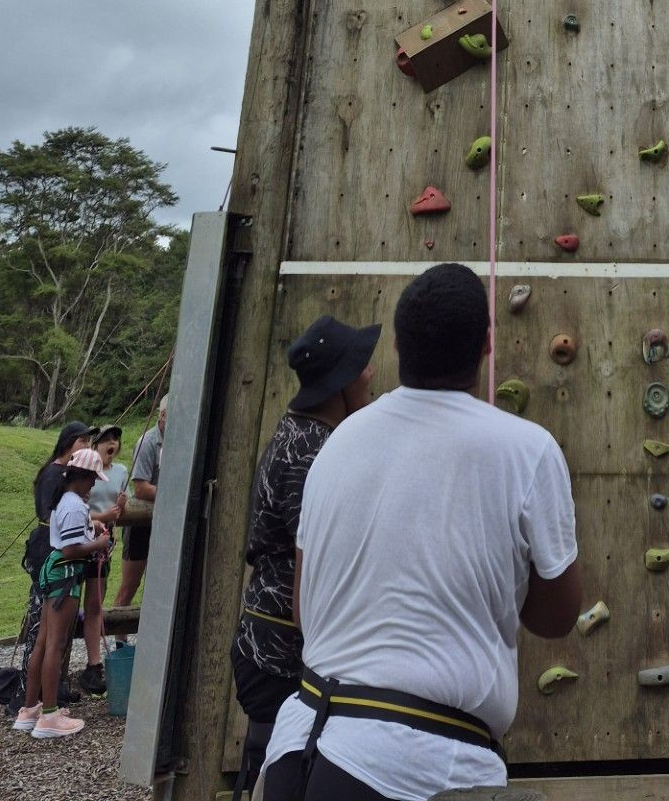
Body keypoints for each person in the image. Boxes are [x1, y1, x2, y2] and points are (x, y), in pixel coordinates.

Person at [261, 262, 581, 801]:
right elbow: (557, 618)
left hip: (299, 750)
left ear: (397, 346)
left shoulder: (337, 442)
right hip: (419, 768)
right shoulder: (527, 449)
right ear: (487, 345)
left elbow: (302, 611)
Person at [228, 315, 381, 801]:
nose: (370, 374)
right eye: (360, 367)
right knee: (281, 778)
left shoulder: (302, 434)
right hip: (282, 655)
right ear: (340, 383)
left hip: (277, 646)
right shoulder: (311, 453)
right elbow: (317, 560)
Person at [12, 447, 111, 740]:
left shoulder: (63, 500)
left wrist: (91, 528)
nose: (93, 485)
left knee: (43, 643)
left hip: (53, 572)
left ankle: (31, 708)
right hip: (64, 575)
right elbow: (70, 549)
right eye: (92, 479)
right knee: (55, 645)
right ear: (82, 476)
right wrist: (99, 544)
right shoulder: (75, 505)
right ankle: (50, 715)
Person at [79, 424, 128, 694]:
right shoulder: (84, 470)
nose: (113, 444)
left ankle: (93, 665)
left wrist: (121, 507)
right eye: (107, 439)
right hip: (81, 541)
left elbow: (122, 511)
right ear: (95, 445)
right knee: (70, 602)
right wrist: (103, 517)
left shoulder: (120, 471)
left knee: (95, 603)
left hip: (104, 546)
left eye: (116, 440)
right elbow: (75, 509)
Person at [114, 395, 166, 607]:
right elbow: (141, 488)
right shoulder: (148, 442)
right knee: (130, 585)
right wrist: (174, 494)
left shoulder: (180, 442)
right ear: (163, 415)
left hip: (165, 522)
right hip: (140, 522)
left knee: (161, 583)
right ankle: (116, 628)